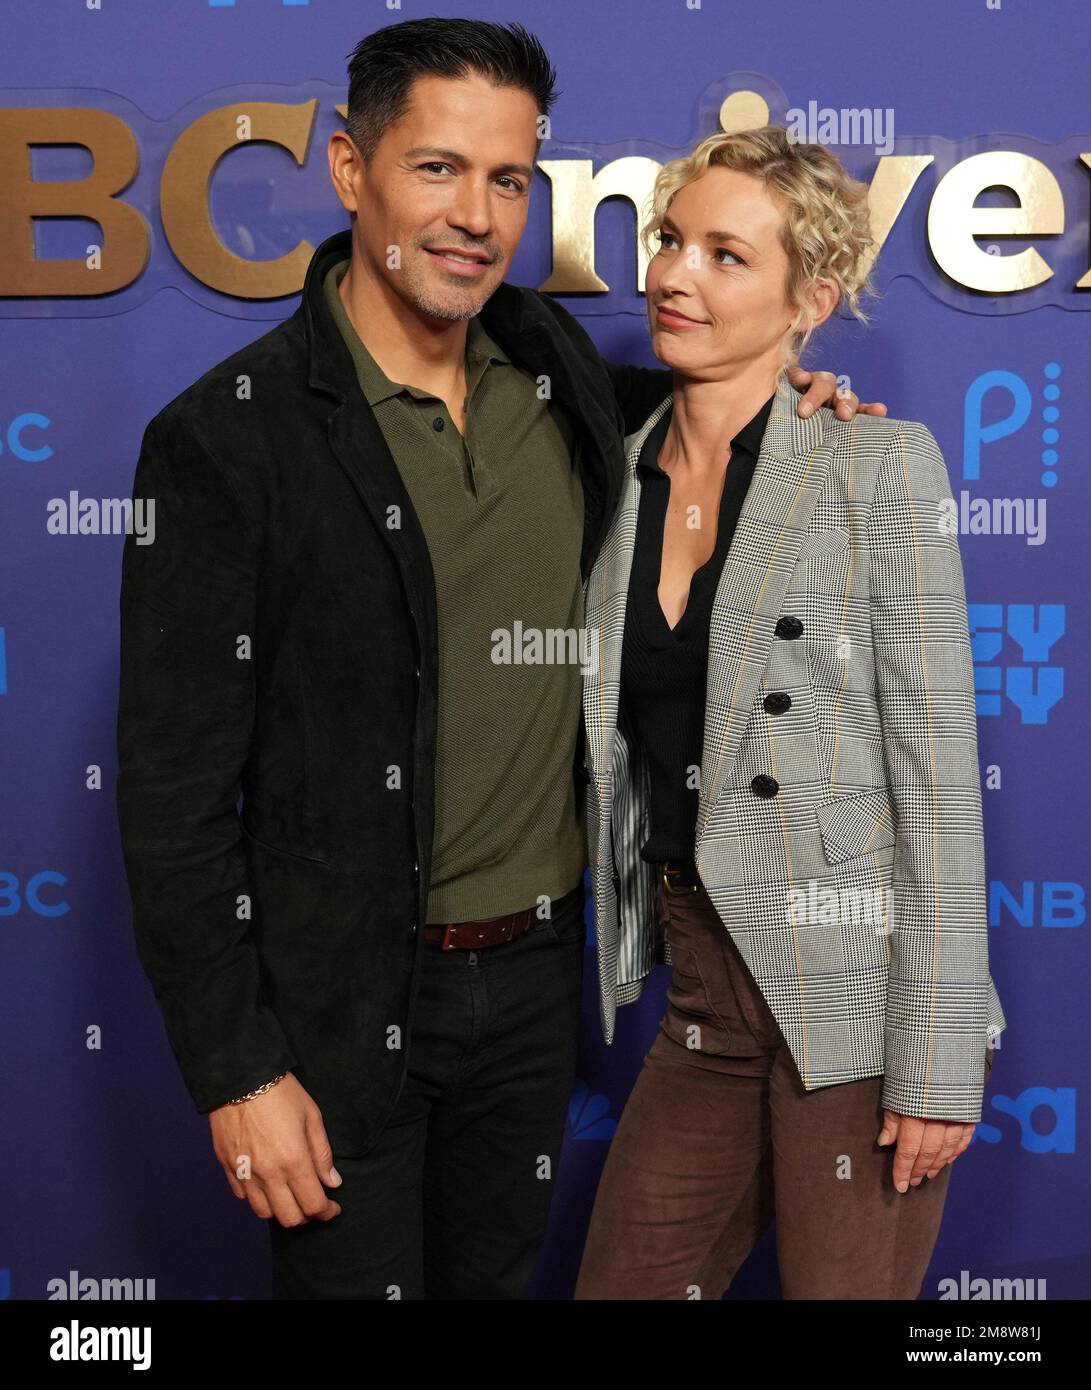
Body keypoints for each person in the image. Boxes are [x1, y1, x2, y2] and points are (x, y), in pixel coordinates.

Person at [116, 21, 882, 1301]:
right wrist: (238, 1073)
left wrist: (792, 390)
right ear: (351, 170)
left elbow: (691, 420)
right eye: (436, 170)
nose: (476, 215)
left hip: (533, 988)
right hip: (344, 1005)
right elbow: (171, 800)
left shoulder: (548, 360)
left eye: (509, 180)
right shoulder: (224, 440)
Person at [576, 125, 1006, 1300]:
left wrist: (932, 1064)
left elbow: (933, 776)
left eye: (725, 256)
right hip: (703, 993)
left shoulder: (877, 467)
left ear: (807, 299)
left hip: (856, 1005)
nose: (673, 274)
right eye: (670, 240)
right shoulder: (606, 475)